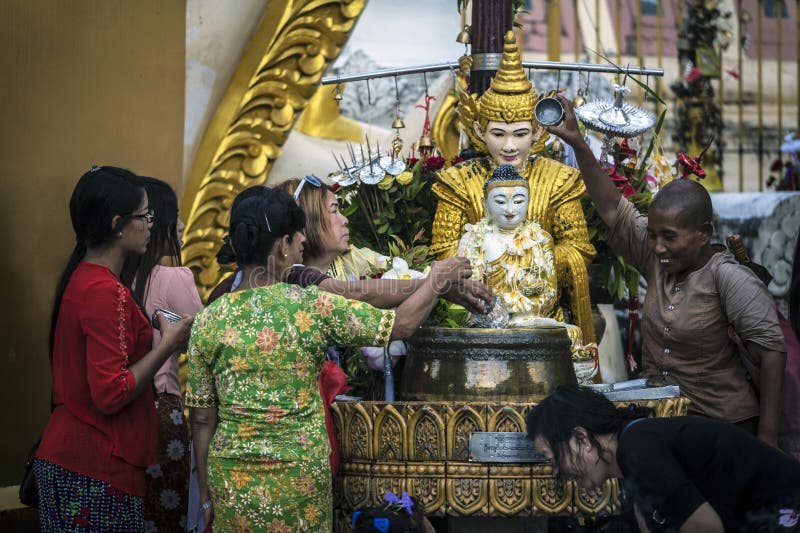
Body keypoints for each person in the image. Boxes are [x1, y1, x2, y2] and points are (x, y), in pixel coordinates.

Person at [187, 187, 471, 531]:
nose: (304, 242)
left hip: (231, 478)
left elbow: (202, 420)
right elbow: (403, 325)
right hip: (298, 478)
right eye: (298, 237)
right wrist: (437, 279)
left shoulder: (208, 319)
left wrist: (205, 494)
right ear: (282, 245)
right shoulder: (309, 306)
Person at [547, 94, 787, 445]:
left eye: (670, 238)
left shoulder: (729, 278)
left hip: (727, 429)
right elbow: (613, 209)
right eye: (654, 235)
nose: (658, 247)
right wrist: (578, 142)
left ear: (704, 233)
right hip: (666, 421)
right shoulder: (656, 257)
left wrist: (766, 440)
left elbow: (772, 354)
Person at [34, 166, 193, 531]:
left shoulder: (86, 277)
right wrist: (167, 343)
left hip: (79, 458)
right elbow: (112, 392)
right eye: (144, 215)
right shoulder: (104, 290)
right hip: (94, 464)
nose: (152, 223)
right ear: (118, 224)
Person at [431, 31, 596, 346]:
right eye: (498, 134)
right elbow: (443, 254)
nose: (509, 146)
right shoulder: (458, 182)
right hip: (477, 316)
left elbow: (577, 249)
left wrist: (533, 257)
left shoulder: (559, 180)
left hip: (542, 318)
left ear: (536, 132)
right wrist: (485, 267)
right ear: (479, 130)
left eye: (520, 134)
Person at [526, 385, 800, 532]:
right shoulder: (633, 449)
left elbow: (705, 529)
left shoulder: (637, 450)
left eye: (552, 458)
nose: (555, 472)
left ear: (582, 438)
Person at [458, 164, 598, 382]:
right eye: (501, 201)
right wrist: (498, 310)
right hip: (492, 324)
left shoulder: (540, 239)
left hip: (531, 319)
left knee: (571, 334)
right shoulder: (476, 239)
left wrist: (532, 293)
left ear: (529, 202)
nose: (510, 209)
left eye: (519, 201)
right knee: (484, 338)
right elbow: (468, 290)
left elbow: (550, 293)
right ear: (485, 204)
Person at [130, 177, 203, 531]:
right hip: (161, 412)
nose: (183, 225)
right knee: (166, 514)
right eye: (176, 214)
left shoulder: (114, 277)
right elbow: (202, 341)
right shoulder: (173, 277)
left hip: (124, 411)